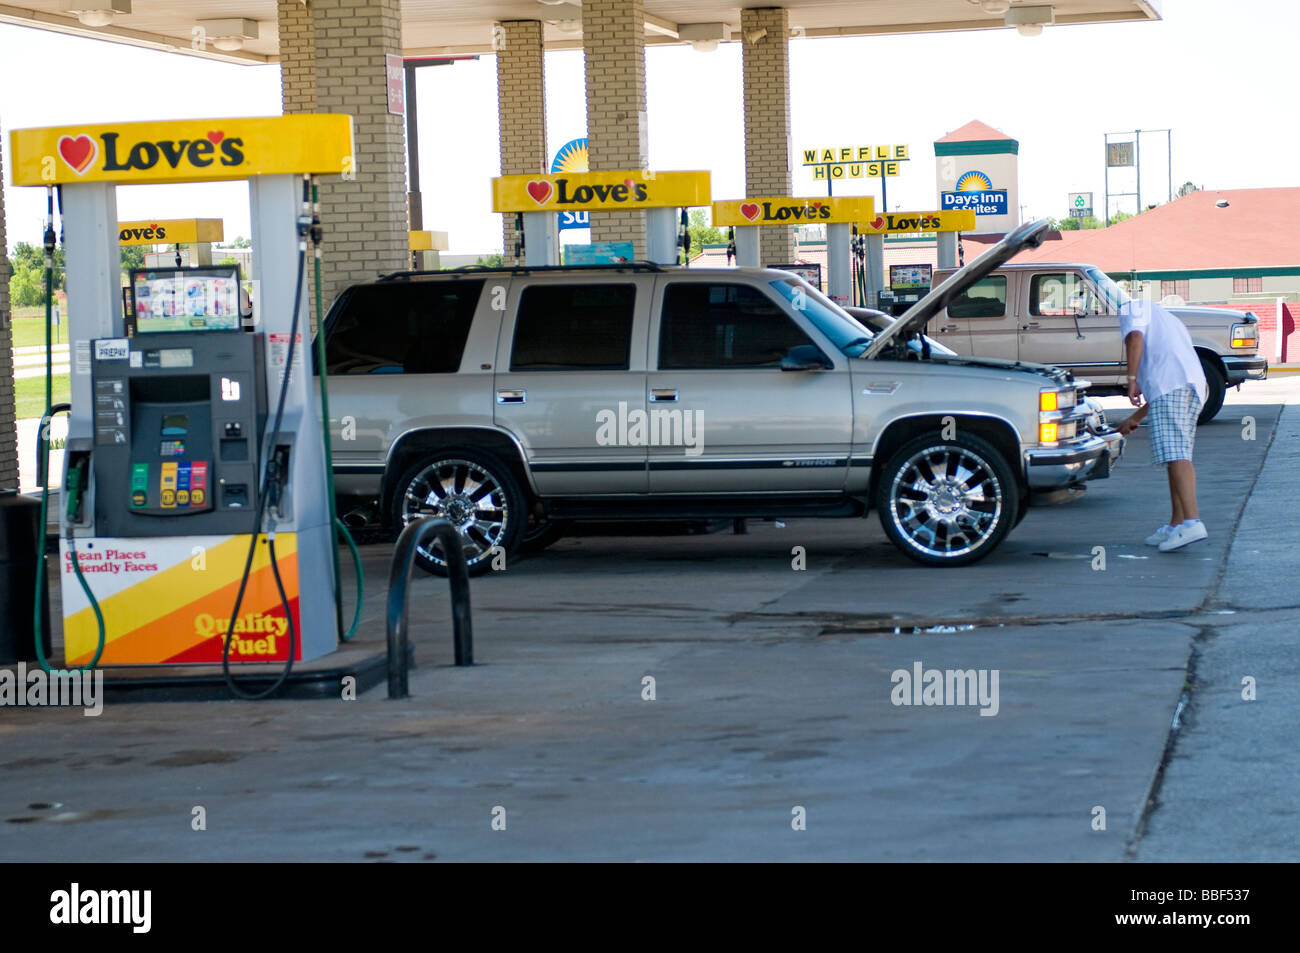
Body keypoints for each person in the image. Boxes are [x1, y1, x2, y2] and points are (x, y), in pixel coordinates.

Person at [1115, 298, 1208, 551]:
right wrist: (1136, 417)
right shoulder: (1168, 320)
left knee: (1176, 455)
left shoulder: (1132, 307)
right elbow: (1166, 381)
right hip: (1189, 387)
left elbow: (1135, 339)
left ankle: (1192, 522)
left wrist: (1132, 379)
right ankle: (1177, 524)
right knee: (1176, 455)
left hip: (1173, 387)